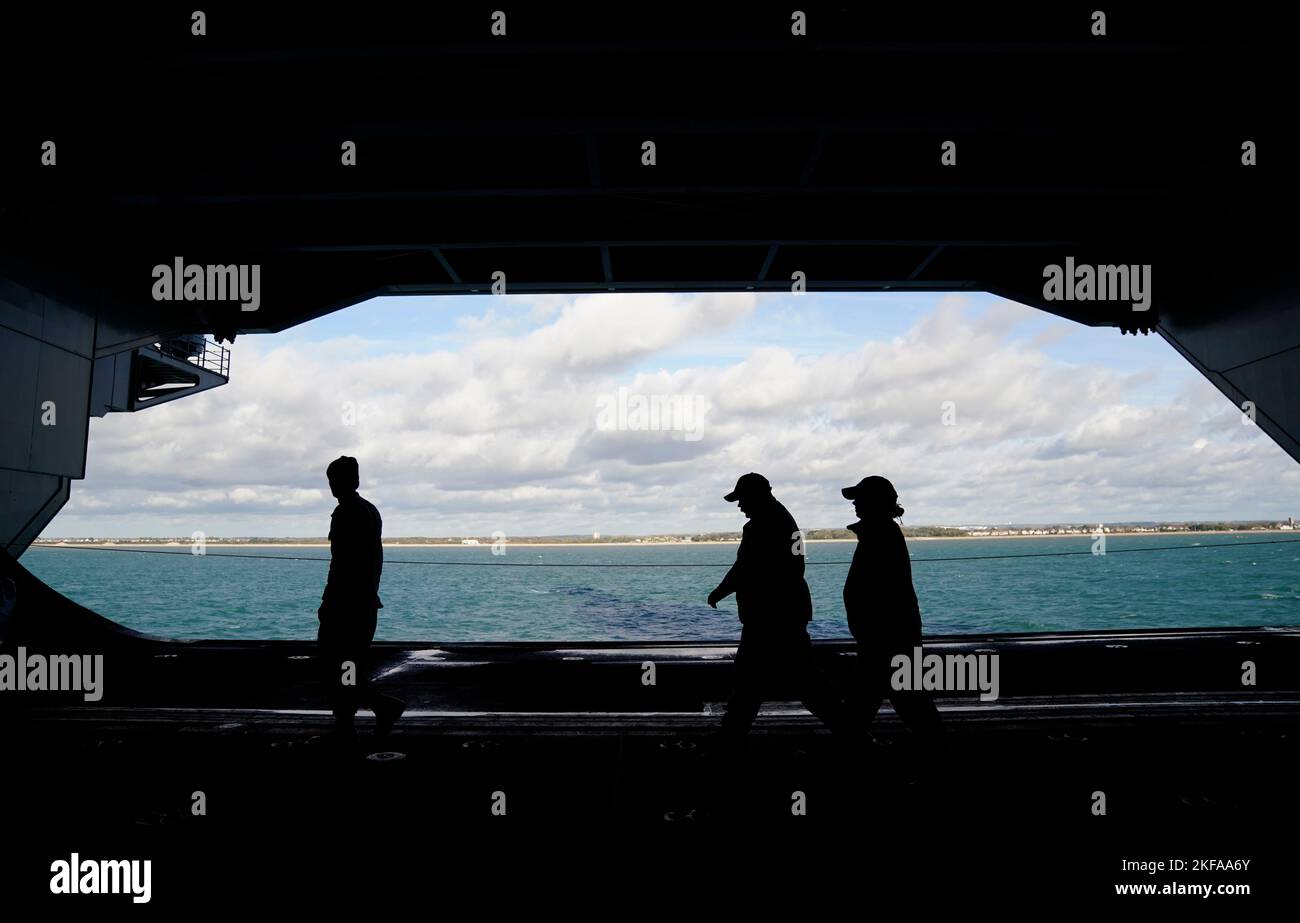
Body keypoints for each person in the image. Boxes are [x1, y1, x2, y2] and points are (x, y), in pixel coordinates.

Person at [707, 472, 846, 748]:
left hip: (768, 618)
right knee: (804, 681)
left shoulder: (761, 525)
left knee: (750, 683)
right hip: (788, 613)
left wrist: (720, 591)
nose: (739, 506)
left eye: (742, 499)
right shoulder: (785, 519)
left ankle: (727, 744)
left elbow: (745, 568)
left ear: (756, 495)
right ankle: (852, 733)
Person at [840, 476, 942, 738]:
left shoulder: (879, 535)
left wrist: (867, 628)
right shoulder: (881, 533)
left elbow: (879, 591)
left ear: (874, 502)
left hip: (883, 639)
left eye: (859, 498)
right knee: (907, 700)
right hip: (887, 637)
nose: (854, 503)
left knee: (881, 703)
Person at [317, 456, 404, 746]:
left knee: (336, 665)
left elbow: (341, 564)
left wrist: (329, 602)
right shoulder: (370, 510)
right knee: (349, 666)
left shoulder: (345, 513)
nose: (331, 486)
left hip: (346, 605)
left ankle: (377, 709)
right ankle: (349, 723)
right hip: (365, 603)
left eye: (333, 480)